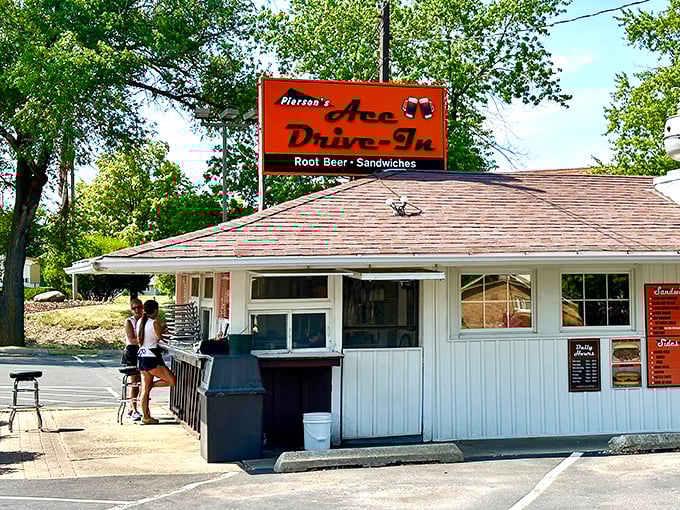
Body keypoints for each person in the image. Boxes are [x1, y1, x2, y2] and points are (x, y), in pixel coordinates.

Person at [136, 300, 176, 425]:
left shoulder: (140, 322)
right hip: (152, 356)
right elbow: (161, 337)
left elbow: (151, 335)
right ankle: (151, 386)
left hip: (142, 355)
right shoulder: (154, 323)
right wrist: (165, 329)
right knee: (171, 381)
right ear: (155, 310)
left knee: (145, 389)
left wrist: (161, 328)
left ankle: (146, 416)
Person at [121, 298, 143, 421]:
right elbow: (131, 339)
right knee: (133, 381)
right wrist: (146, 340)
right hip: (132, 351)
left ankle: (132, 406)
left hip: (142, 350)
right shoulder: (129, 321)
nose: (137, 310)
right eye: (134, 308)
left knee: (141, 381)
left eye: (139, 307)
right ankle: (134, 408)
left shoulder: (145, 320)